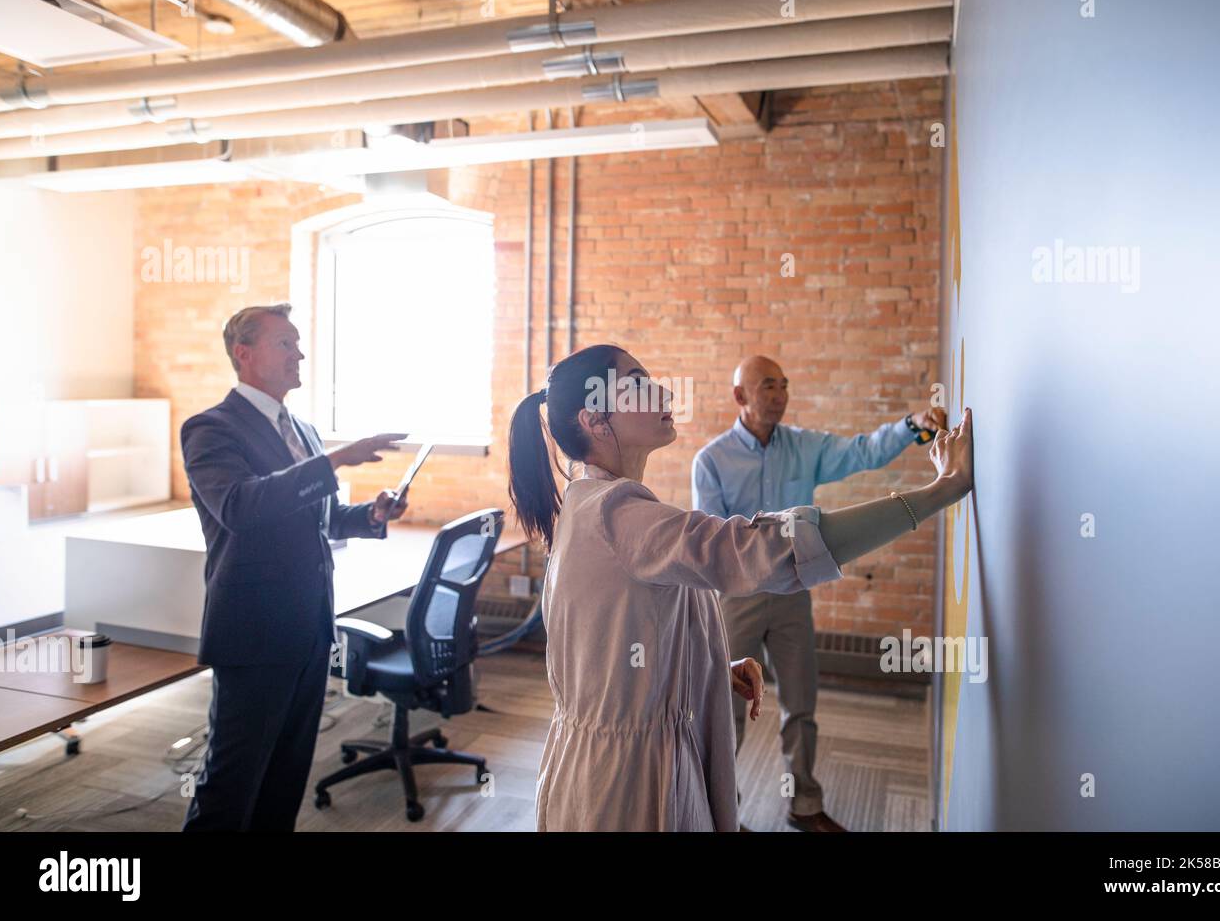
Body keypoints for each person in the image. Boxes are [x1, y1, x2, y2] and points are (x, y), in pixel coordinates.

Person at [507, 344, 971, 831]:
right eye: (639, 384)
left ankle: (803, 800)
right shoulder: (618, 514)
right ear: (596, 422)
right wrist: (942, 489)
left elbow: (613, 643)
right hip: (622, 780)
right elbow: (756, 549)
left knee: (799, 699)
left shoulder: (593, 505)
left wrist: (703, 665)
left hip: (607, 764)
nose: (664, 392)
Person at [691, 354, 947, 832]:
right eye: (768, 385)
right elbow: (714, 544)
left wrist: (912, 426)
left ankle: (804, 805)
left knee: (801, 702)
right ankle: (721, 813)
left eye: (785, 385)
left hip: (791, 592)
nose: (780, 394)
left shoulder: (805, 447)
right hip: (738, 599)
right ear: (740, 396)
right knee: (725, 710)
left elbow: (861, 451)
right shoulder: (710, 461)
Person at [181, 303, 409, 832]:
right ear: (244, 353)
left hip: (310, 629)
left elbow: (317, 518)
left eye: (298, 343)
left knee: (286, 777)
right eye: (285, 343)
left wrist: (372, 516)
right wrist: (334, 462)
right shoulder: (210, 429)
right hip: (254, 632)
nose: (299, 353)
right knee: (231, 783)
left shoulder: (301, 429)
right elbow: (240, 507)